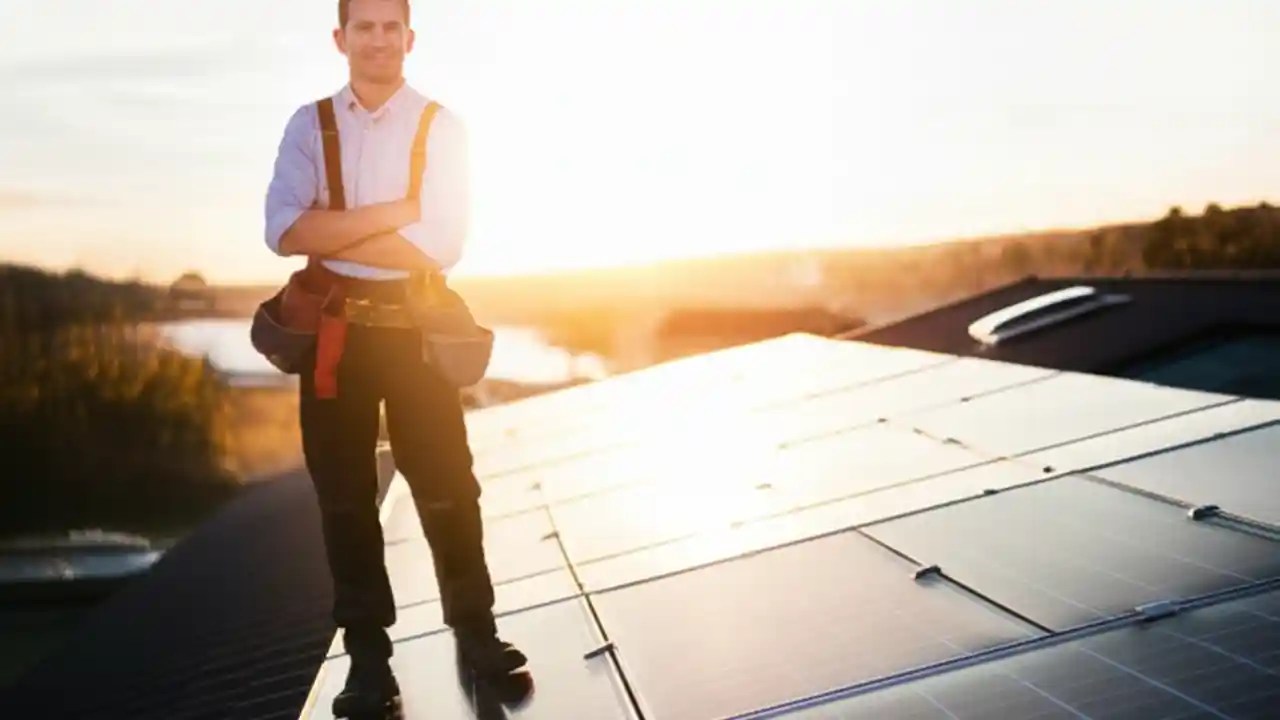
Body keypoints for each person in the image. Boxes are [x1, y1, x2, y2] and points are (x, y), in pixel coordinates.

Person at [262, 0, 524, 715]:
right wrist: (398, 211)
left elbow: (442, 245)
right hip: (334, 341)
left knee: (448, 486)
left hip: (415, 335)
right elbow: (283, 230)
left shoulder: (443, 126)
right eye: (363, 26)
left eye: (389, 27)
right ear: (340, 38)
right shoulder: (307, 124)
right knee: (344, 500)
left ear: (409, 38)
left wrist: (335, 231)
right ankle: (368, 662)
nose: (377, 39)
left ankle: (476, 633)